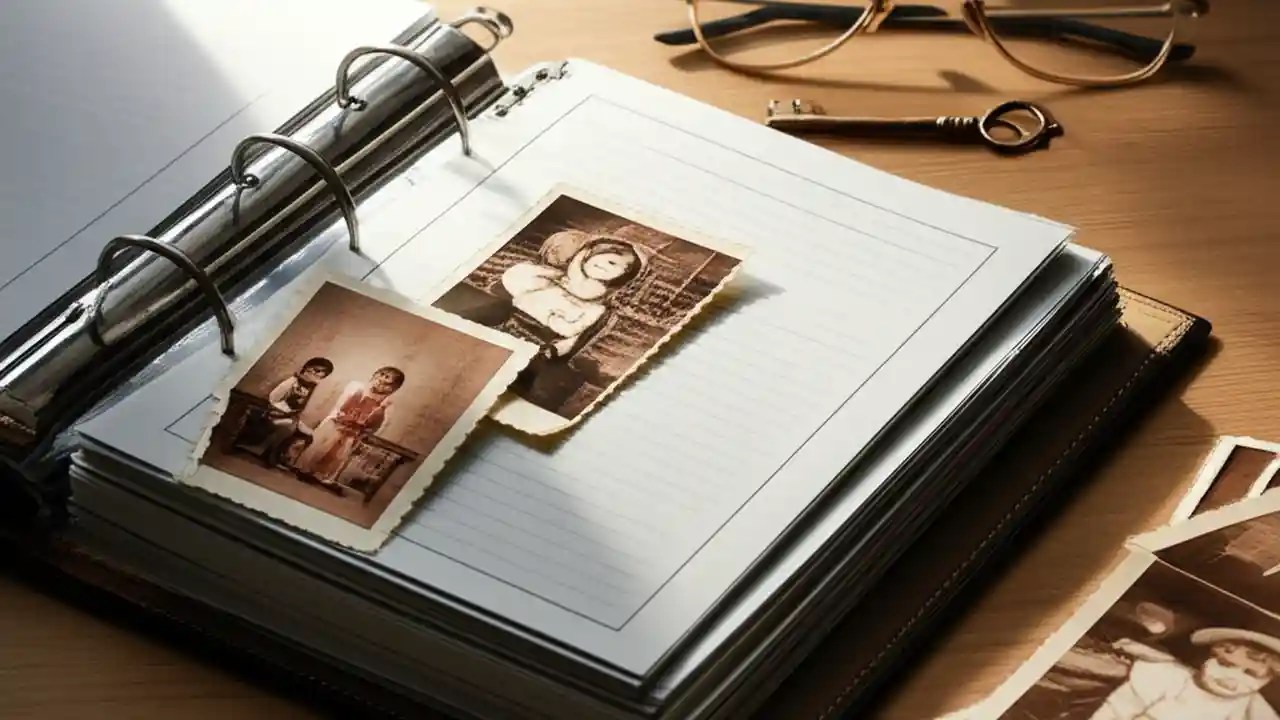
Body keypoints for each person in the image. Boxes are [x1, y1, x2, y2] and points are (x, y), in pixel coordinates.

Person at [1087, 627, 1280, 720]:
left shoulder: (1253, 711)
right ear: (1211, 656)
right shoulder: (1169, 675)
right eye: (1225, 665)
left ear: (1268, 679)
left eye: (1251, 674)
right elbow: (1116, 710)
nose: (1233, 678)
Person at [293, 366, 404, 489]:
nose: (381, 381)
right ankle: (304, 468)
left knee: (337, 454)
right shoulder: (358, 387)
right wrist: (343, 416)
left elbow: (381, 423)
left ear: (393, 388)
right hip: (338, 422)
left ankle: (319, 474)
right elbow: (342, 404)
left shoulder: (386, 403)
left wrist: (368, 425)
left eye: (387, 382)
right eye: (381, 375)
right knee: (321, 445)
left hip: (355, 430)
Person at [235, 357, 333, 467]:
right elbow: (273, 399)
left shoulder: (311, 388)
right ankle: (270, 458)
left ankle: (283, 457)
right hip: (274, 414)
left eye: (322, 374)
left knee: (309, 435)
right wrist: (284, 413)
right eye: (315, 370)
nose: (317, 375)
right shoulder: (292, 381)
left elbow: (302, 408)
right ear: (307, 368)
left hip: (291, 417)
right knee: (288, 428)